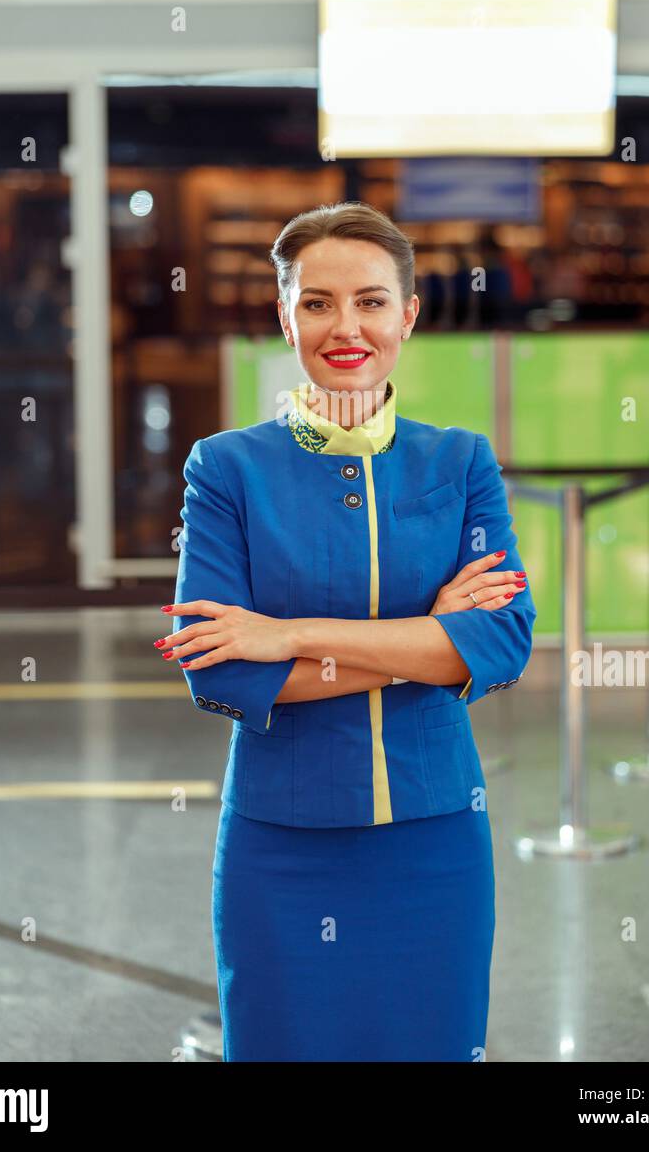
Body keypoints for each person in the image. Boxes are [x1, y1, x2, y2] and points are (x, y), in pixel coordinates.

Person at [156, 201, 536, 1062]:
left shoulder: (461, 462)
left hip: (434, 832)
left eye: (370, 301)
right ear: (283, 316)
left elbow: (500, 645)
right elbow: (218, 670)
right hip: (281, 842)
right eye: (318, 302)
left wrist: (285, 637)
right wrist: (429, 639)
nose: (345, 326)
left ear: (407, 314)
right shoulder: (226, 469)